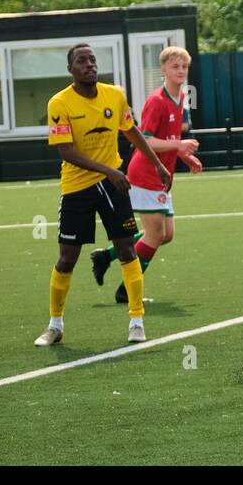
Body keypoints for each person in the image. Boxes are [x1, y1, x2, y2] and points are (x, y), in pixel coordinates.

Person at [33, 44, 171, 347]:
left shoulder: (114, 95)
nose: (89, 65)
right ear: (71, 69)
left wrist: (157, 164)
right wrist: (109, 171)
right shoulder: (59, 103)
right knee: (67, 259)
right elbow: (65, 151)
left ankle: (137, 321)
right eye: (82, 61)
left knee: (127, 251)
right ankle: (55, 325)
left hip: (113, 187)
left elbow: (131, 131)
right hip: (77, 189)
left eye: (93, 60)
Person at [89, 47, 203, 303]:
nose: (181, 71)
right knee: (154, 235)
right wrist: (179, 146)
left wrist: (185, 155)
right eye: (175, 67)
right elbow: (146, 141)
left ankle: (106, 256)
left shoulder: (180, 97)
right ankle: (127, 289)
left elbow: (171, 139)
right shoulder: (157, 100)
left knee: (166, 234)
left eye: (184, 67)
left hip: (161, 176)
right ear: (163, 69)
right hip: (145, 174)